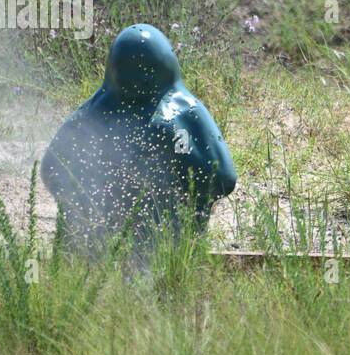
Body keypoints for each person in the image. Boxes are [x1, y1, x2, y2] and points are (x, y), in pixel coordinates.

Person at [43, 23, 237, 253]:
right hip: (134, 249)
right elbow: (223, 178)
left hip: (153, 248)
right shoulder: (97, 112)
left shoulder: (180, 110)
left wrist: (175, 161)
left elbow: (223, 179)